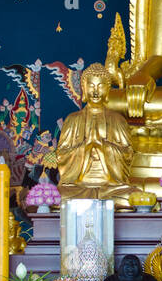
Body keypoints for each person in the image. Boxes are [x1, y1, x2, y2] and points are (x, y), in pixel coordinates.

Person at [56, 62, 135, 202]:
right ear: (84, 88)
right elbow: (62, 155)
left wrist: (103, 147)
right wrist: (85, 148)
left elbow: (128, 154)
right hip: (78, 185)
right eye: (91, 86)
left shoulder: (117, 120)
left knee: (131, 195)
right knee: (59, 195)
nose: (96, 91)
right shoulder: (73, 119)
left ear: (108, 89)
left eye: (100, 86)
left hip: (111, 186)